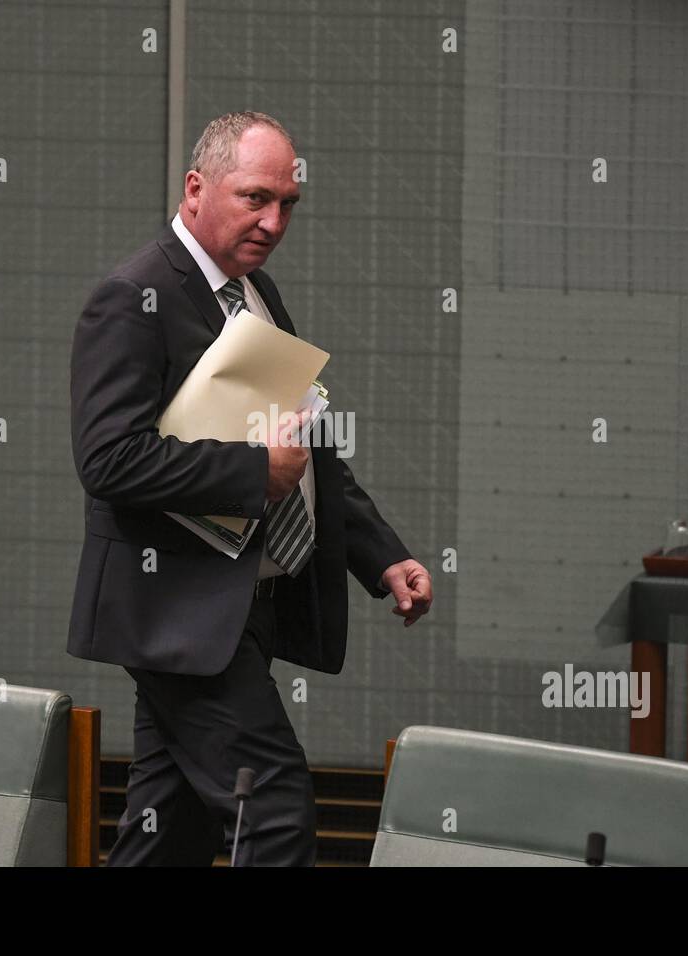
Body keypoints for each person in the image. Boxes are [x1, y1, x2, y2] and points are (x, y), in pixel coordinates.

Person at [68, 111, 432, 866]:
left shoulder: (254, 292)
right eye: (254, 198)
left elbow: (310, 449)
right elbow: (108, 459)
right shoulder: (132, 295)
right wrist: (250, 473)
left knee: (170, 830)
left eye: (288, 204)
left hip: (243, 612)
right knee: (272, 812)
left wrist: (380, 556)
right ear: (196, 188)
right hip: (177, 615)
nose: (272, 221)